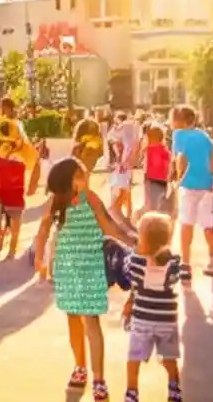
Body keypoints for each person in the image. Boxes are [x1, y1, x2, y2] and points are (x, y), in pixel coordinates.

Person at [33, 158, 136, 400]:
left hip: (90, 267)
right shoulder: (56, 202)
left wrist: (132, 241)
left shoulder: (90, 198)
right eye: (80, 175)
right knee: (73, 319)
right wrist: (40, 259)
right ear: (68, 179)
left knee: (90, 320)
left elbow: (109, 227)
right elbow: (43, 230)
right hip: (67, 268)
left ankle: (98, 379)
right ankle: (79, 367)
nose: (85, 178)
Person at [120, 212, 188, 402]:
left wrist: (135, 252)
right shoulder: (173, 263)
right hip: (167, 319)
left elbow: (128, 274)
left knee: (134, 358)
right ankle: (174, 389)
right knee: (169, 358)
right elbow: (176, 277)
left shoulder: (136, 262)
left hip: (143, 320)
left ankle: (132, 392)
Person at [171, 105, 213, 278]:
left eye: (174, 119)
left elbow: (180, 159)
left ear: (182, 121)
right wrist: (212, 177)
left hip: (188, 184)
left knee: (186, 224)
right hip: (207, 184)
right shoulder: (204, 136)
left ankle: (185, 264)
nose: (171, 123)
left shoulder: (179, 135)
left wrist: (178, 178)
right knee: (208, 224)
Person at [0, 96, 41, 258]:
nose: (2, 111)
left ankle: (12, 248)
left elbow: (23, 143)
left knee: (15, 210)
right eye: (0, 108)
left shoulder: (16, 125)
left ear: (11, 109)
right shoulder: (0, 124)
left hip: (13, 169)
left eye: (4, 108)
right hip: (2, 166)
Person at [109, 112, 140, 219]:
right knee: (125, 186)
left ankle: (115, 210)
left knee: (122, 186)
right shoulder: (133, 128)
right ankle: (128, 213)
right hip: (127, 162)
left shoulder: (125, 127)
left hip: (124, 162)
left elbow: (111, 135)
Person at [142, 126, 171, 215]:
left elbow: (151, 164)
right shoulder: (165, 149)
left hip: (151, 179)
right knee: (160, 202)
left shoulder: (149, 149)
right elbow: (168, 164)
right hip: (163, 179)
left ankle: (151, 221)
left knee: (151, 204)